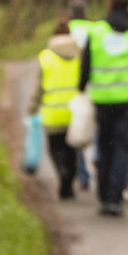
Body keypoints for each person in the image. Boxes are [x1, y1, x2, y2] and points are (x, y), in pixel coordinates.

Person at [79, 0, 128, 216]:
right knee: (122, 148)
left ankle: (103, 196)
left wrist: (80, 88)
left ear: (109, 5)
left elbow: (85, 65)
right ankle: (115, 197)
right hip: (127, 100)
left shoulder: (96, 32)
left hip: (103, 99)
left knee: (104, 146)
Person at [30, 14, 84, 200]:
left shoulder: (45, 57)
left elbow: (38, 88)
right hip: (74, 112)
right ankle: (68, 181)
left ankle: (61, 171)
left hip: (52, 111)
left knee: (55, 147)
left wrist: (32, 108)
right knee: (72, 150)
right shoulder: (80, 54)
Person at [66, 0, 93, 193]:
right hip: (94, 84)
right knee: (95, 128)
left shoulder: (67, 30)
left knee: (78, 129)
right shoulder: (94, 29)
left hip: (73, 85)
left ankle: (83, 175)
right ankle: (98, 160)